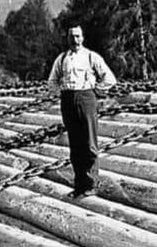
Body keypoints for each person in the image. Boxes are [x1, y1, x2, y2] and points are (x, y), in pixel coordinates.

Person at [47, 25, 116, 199]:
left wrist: (95, 91)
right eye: (72, 36)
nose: (75, 40)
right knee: (75, 145)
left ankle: (91, 184)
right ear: (67, 38)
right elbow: (52, 81)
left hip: (86, 98)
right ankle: (79, 186)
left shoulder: (91, 57)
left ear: (82, 38)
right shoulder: (62, 59)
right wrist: (61, 93)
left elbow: (110, 79)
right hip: (68, 100)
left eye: (78, 36)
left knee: (89, 144)